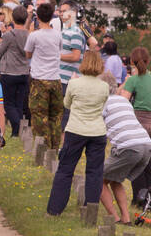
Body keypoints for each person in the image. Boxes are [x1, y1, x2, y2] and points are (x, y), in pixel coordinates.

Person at [46, 50, 109, 215]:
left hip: (76, 130)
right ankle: (91, 210)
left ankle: (55, 209)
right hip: (97, 131)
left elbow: (66, 104)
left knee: (66, 169)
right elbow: (102, 107)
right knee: (95, 172)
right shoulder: (104, 86)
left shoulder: (74, 84)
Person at [96, 71, 151, 225]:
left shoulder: (103, 104)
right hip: (146, 145)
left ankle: (114, 218)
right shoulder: (124, 101)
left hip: (129, 146)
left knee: (98, 179)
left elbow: (96, 125)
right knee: (115, 180)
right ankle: (126, 219)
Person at [24, 1, 65, 150]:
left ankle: (43, 151)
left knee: (39, 117)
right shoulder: (58, 35)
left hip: (39, 80)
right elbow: (59, 51)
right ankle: (55, 147)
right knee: (55, 116)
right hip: (55, 79)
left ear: (38, 17)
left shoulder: (34, 36)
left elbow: (28, 54)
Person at [122, 46, 151, 204]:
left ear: (132, 61)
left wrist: (125, 83)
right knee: (146, 163)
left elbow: (123, 101)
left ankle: (139, 199)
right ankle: (148, 198)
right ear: (148, 60)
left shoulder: (133, 81)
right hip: (150, 123)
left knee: (136, 164)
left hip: (137, 121)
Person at [0, 6, 30, 136]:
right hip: (24, 73)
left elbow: (0, 51)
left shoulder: (10, 35)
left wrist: (4, 34)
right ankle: (16, 132)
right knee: (19, 104)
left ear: (13, 19)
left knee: (8, 104)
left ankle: (18, 127)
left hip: (9, 72)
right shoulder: (28, 35)